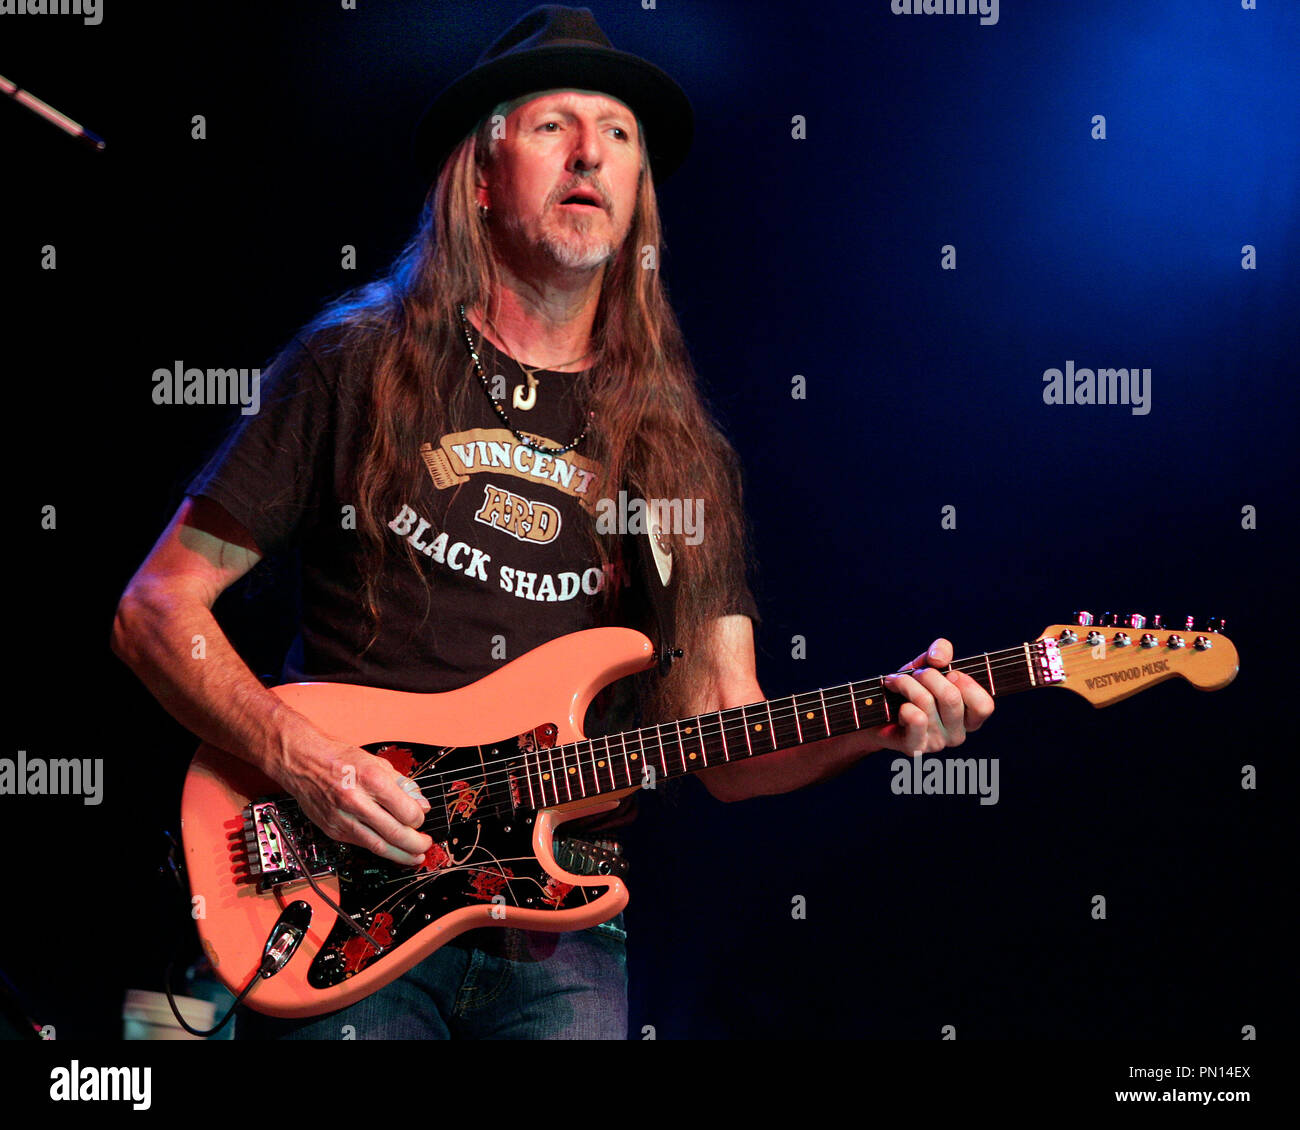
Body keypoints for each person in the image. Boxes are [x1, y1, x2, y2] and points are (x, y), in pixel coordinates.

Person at [111, 5, 993, 1040]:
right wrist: (310, 760)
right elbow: (157, 607)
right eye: (551, 127)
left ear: (638, 196)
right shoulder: (355, 364)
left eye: (618, 136)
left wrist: (880, 724)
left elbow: (725, 739)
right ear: (479, 176)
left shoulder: (675, 451)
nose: (592, 154)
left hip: (562, 931)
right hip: (339, 892)